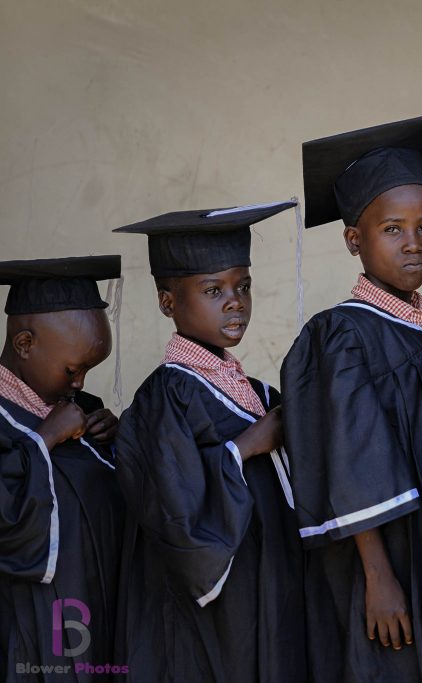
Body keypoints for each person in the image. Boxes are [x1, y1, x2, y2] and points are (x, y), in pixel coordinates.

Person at [283, 113, 422, 683]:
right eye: (392, 229)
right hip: (391, 567)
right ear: (355, 240)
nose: (414, 244)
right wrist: (379, 577)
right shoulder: (340, 335)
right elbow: (349, 466)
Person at [113, 202, 306, 681]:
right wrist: (243, 449)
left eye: (243, 286)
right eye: (213, 290)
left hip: (271, 581)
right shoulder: (167, 394)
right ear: (168, 302)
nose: (235, 301)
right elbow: (168, 502)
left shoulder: (258, 391)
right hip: (219, 603)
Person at [0, 255, 124, 680]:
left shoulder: (81, 410)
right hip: (27, 626)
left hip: (96, 611)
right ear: (24, 345)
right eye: (74, 369)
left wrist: (118, 441)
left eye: (90, 370)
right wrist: (45, 439)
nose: (81, 384)